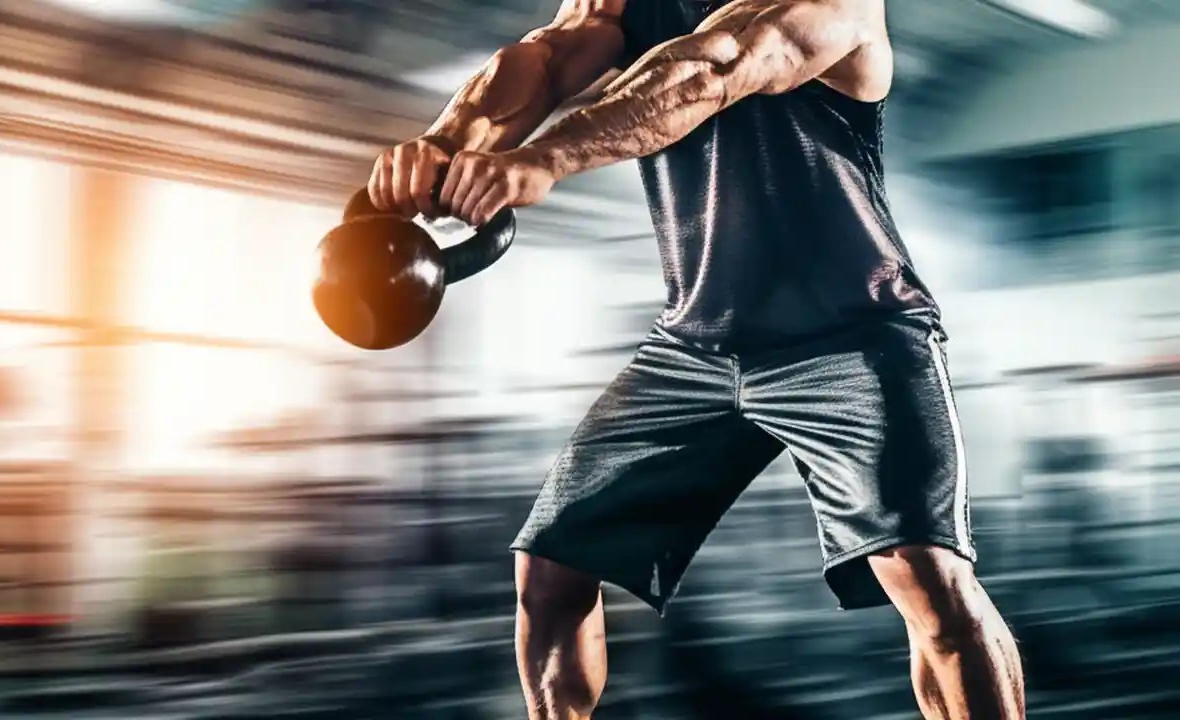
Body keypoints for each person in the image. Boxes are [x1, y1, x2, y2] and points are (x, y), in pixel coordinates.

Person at [365, 1, 1026, 718]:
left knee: (927, 581)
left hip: (854, 333)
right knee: (550, 571)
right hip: (697, 344)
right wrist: (445, 146)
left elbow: (713, 68)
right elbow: (553, 54)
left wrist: (542, 159)